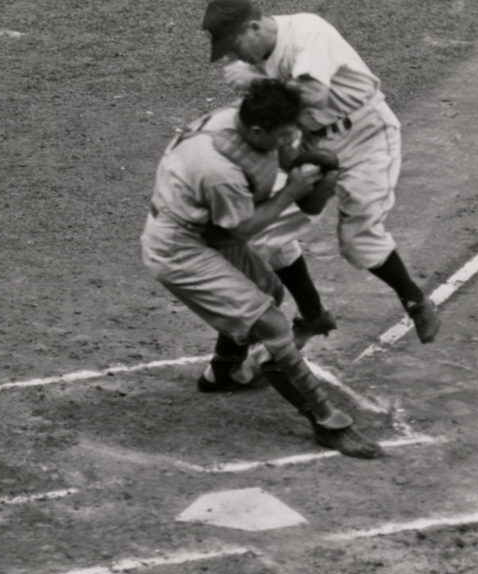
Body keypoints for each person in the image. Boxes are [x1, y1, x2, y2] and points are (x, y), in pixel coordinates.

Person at [140, 79, 382, 459]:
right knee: (272, 325)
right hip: (179, 248)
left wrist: (315, 164)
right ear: (256, 130)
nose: (292, 138)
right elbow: (243, 229)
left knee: (271, 292)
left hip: (208, 232)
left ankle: (223, 371)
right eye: (285, 133)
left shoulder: (244, 126)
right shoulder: (216, 168)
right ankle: (327, 422)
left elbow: (279, 160)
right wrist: (293, 192)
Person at [201, 0, 441, 369]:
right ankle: (313, 316)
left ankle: (414, 300)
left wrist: (259, 81)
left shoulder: (306, 33)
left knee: (358, 241)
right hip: (313, 144)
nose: (236, 57)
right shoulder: (264, 55)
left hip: (366, 136)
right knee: (262, 237)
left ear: (254, 26)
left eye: (235, 47)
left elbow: (314, 93)